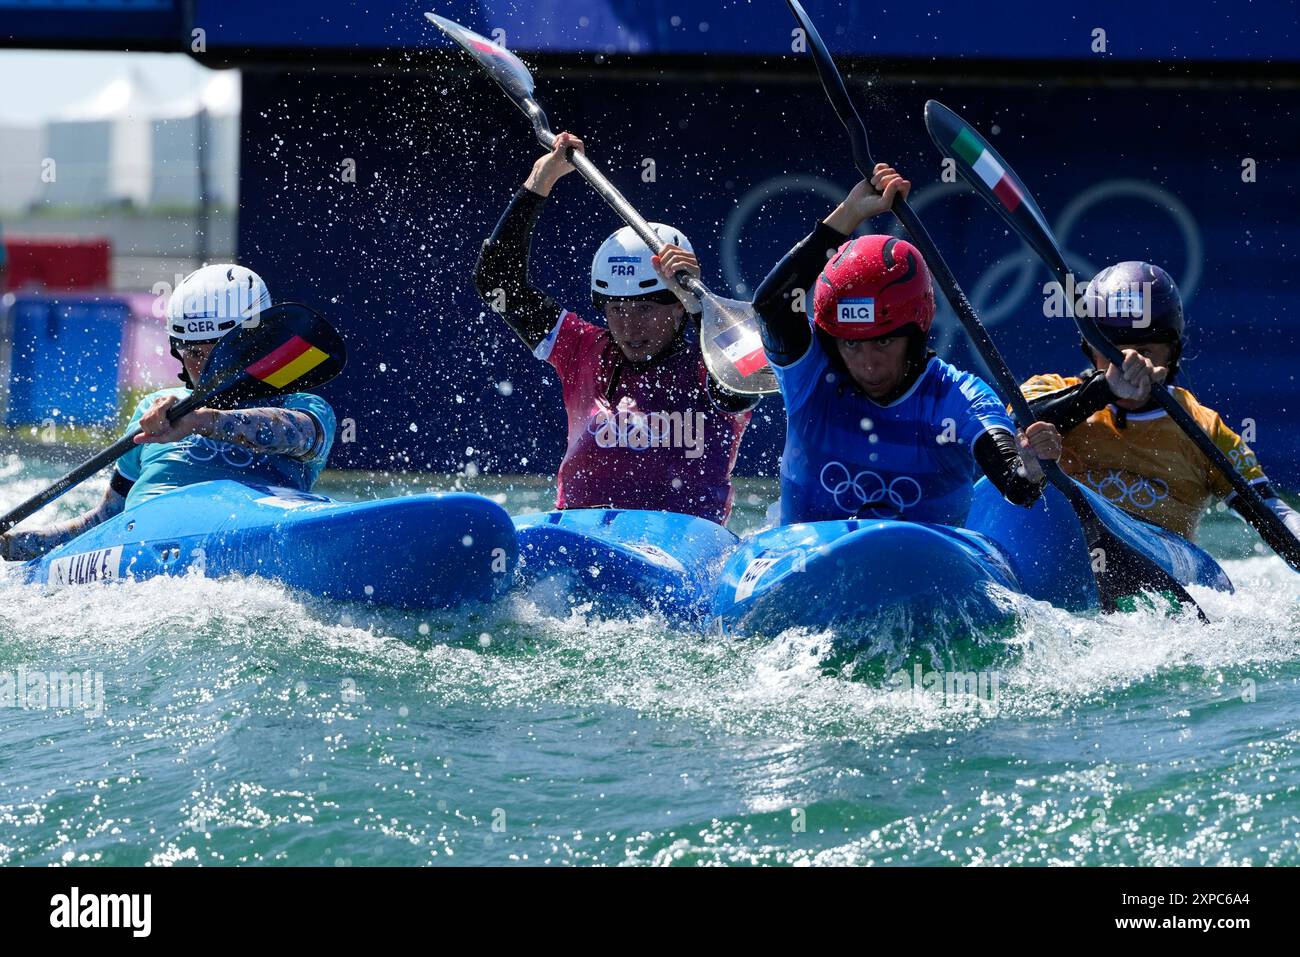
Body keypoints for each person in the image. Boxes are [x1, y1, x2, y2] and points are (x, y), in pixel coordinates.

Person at [752, 163, 1062, 525]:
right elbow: (771, 306)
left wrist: (1032, 468)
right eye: (851, 345)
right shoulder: (812, 372)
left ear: (915, 332)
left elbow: (1017, 486)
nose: (868, 363)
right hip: (808, 565)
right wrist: (849, 214)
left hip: (920, 572)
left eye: (883, 342)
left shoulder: (959, 396)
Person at [473, 131, 758, 525]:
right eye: (616, 309)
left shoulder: (713, 367)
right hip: (582, 540)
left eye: (644, 308)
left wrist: (698, 302)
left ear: (677, 308)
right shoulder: (581, 350)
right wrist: (540, 181)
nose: (628, 325)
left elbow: (753, 372)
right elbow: (496, 283)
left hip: (682, 551)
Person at [1, 264, 336, 562]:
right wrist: (13, 546)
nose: (204, 366)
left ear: (255, 344)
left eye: (218, 352)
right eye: (192, 352)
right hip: (139, 549)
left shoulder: (303, 409)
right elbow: (104, 521)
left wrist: (202, 421)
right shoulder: (154, 410)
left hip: (256, 537)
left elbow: (302, 436)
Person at [1022, 260, 1299, 543]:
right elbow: (1015, 425)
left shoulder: (1205, 428)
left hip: (1160, 569)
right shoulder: (1048, 390)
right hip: (1061, 548)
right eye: (1113, 352)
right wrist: (1104, 389)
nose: (1130, 365)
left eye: (1144, 351)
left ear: (1171, 354)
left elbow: (1269, 508)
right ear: (1090, 350)